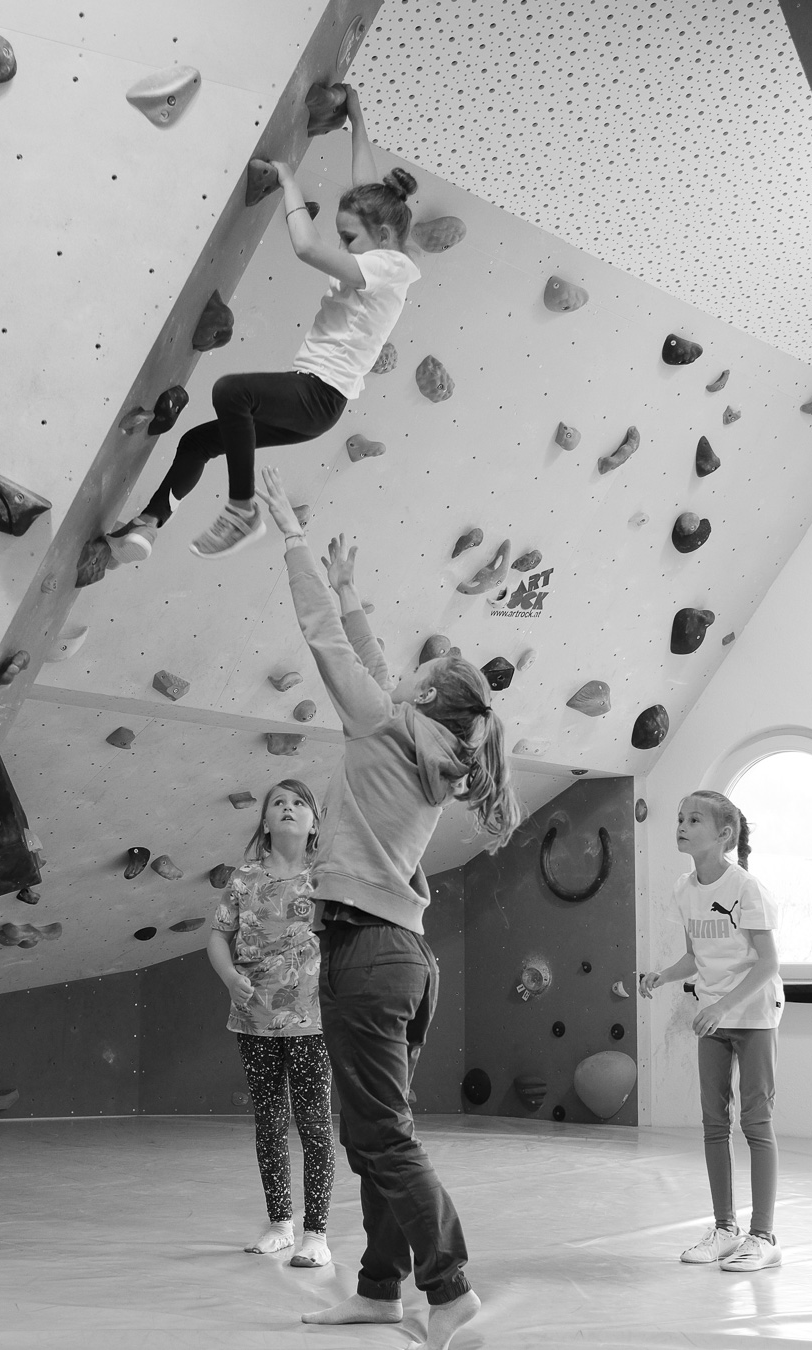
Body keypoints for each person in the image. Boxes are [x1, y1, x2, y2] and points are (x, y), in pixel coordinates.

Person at [255, 465, 522, 1350]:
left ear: (421, 699)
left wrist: (296, 547)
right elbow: (369, 661)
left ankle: (447, 1291)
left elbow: (327, 645)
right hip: (400, 957)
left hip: (366, 958)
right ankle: (377, 1289)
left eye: (418, 672)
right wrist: (353, 592)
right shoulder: (424, 744)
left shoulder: (384, 727)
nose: (401, 673)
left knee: (385, 1140)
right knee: (372, 1134)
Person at [109, 85, 420, 563]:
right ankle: (149, 525)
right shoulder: (379, 248)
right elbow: (365, 191)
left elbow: (307, 249)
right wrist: (357, 121)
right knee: (199, 441)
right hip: (313, 407)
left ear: (381, 236)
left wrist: (289, 180)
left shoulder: (391, 268)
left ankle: (240, 509)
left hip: (318, 395)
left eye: (348, 237)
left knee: (232, 392)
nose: (343, 244)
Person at [639, 789, 784, 1271]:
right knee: (713, 1123)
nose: (681, 824)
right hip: (713, 1016)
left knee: (756, 1123)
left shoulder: (747, 888)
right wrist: (664, 975)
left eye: (693, 819)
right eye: (680, 817)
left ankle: (764, 1237)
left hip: (753, 1014)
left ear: (723, 834)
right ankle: (726, 1229)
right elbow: (695, 956)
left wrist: (722, 1007)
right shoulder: (684, 888)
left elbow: (767, 964)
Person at [206, 777, 335, 1268]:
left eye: (299, 802)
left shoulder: (325, 876)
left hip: (311, 1020)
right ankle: (281, 1224)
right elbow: (218, 937)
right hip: (253, 1018)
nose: (288, 808)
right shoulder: (244, 878)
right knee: (269, 1121)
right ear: (264, 821)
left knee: (315, 1125)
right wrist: (228, 976)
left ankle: (316, 1233)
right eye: (278, 803)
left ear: (313, 822)